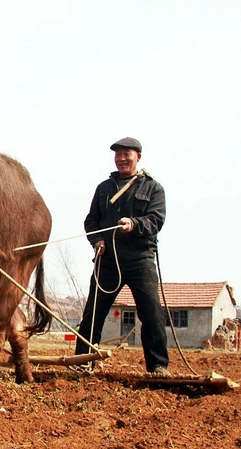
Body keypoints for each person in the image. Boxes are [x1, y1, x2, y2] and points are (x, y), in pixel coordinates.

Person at [74, 137, 170, 374]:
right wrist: (97, 240)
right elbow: (91, 221)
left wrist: (134, 223)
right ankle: (82, 362)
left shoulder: (153, 188)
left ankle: (158, 365)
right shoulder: (104, 189)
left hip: (139, 260)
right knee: (93, 313)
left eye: (127, 154)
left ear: (138, 157)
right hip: (107, 261)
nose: (121, 159)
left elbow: (156, 220)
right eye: (118, 155)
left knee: (152, 314)